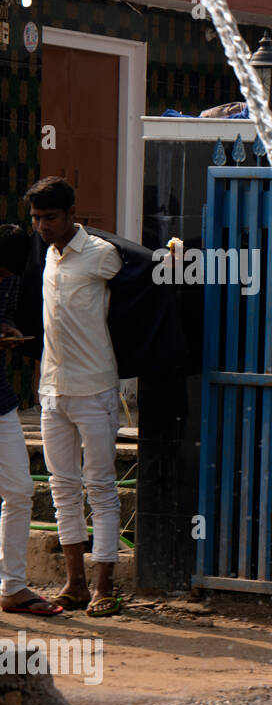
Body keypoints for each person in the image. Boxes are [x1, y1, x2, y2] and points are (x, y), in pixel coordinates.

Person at [24, 177, 123, 618]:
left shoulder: (102, 256)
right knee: (63, 489)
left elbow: (141, 284)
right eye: (36, 218)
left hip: (95, 388)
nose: (42, 226)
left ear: (70, 214)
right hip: (53, 391)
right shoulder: (47, 255)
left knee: (100, 489)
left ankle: (105, 587)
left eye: (49, 217)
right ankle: (75, 584)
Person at [0, 224, 57, 615]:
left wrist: (5, 330)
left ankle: (13, 587)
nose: (4, 280)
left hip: (0, 400)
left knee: (19, 490)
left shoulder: (14, 278)